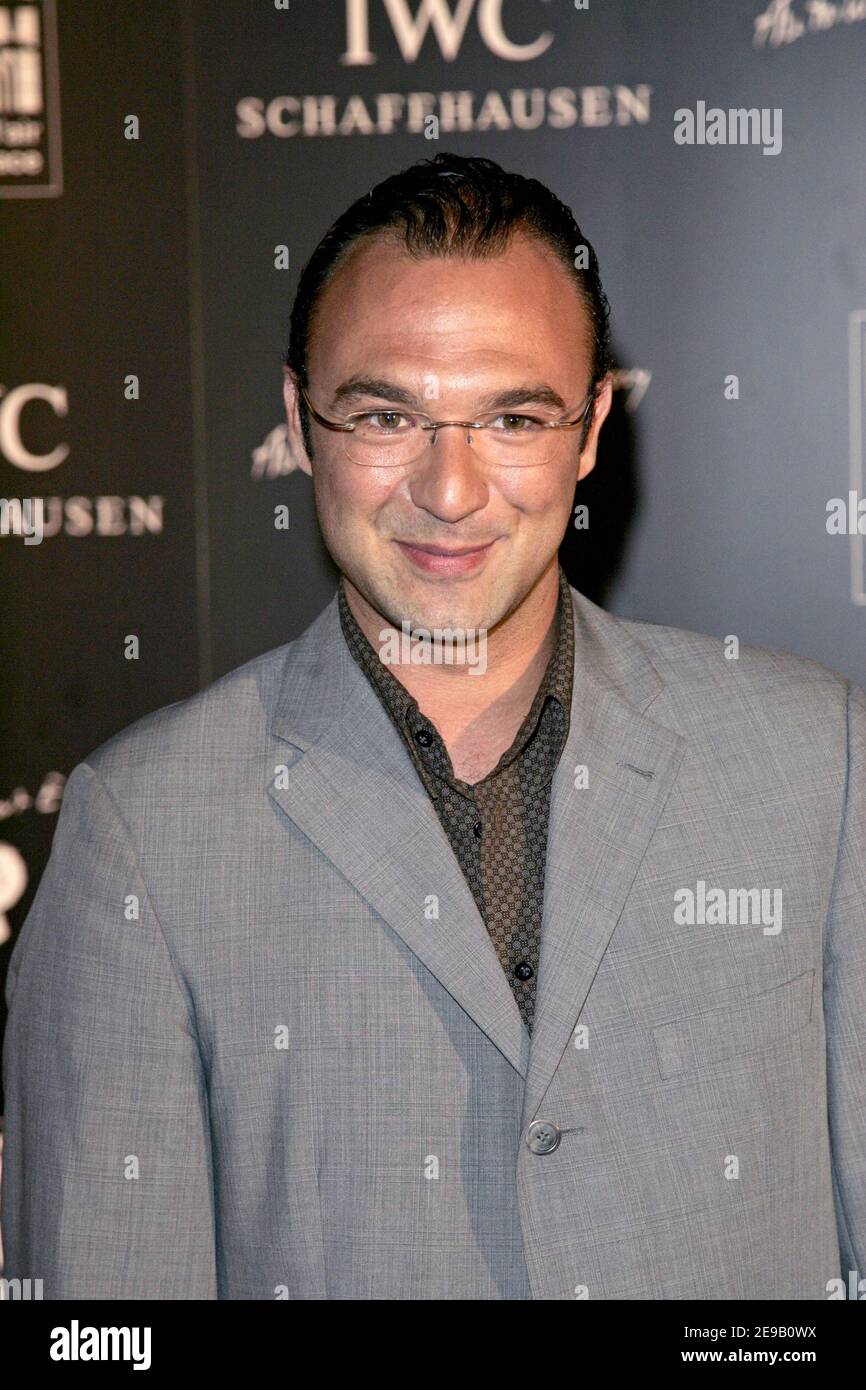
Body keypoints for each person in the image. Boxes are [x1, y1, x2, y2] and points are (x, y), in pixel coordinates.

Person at [2, 153, 864, 1300]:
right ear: (299, 422)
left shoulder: (813, 760)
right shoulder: (145, 830)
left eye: (513, 416)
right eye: (384, 415)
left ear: (589, 427)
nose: (448, 490)